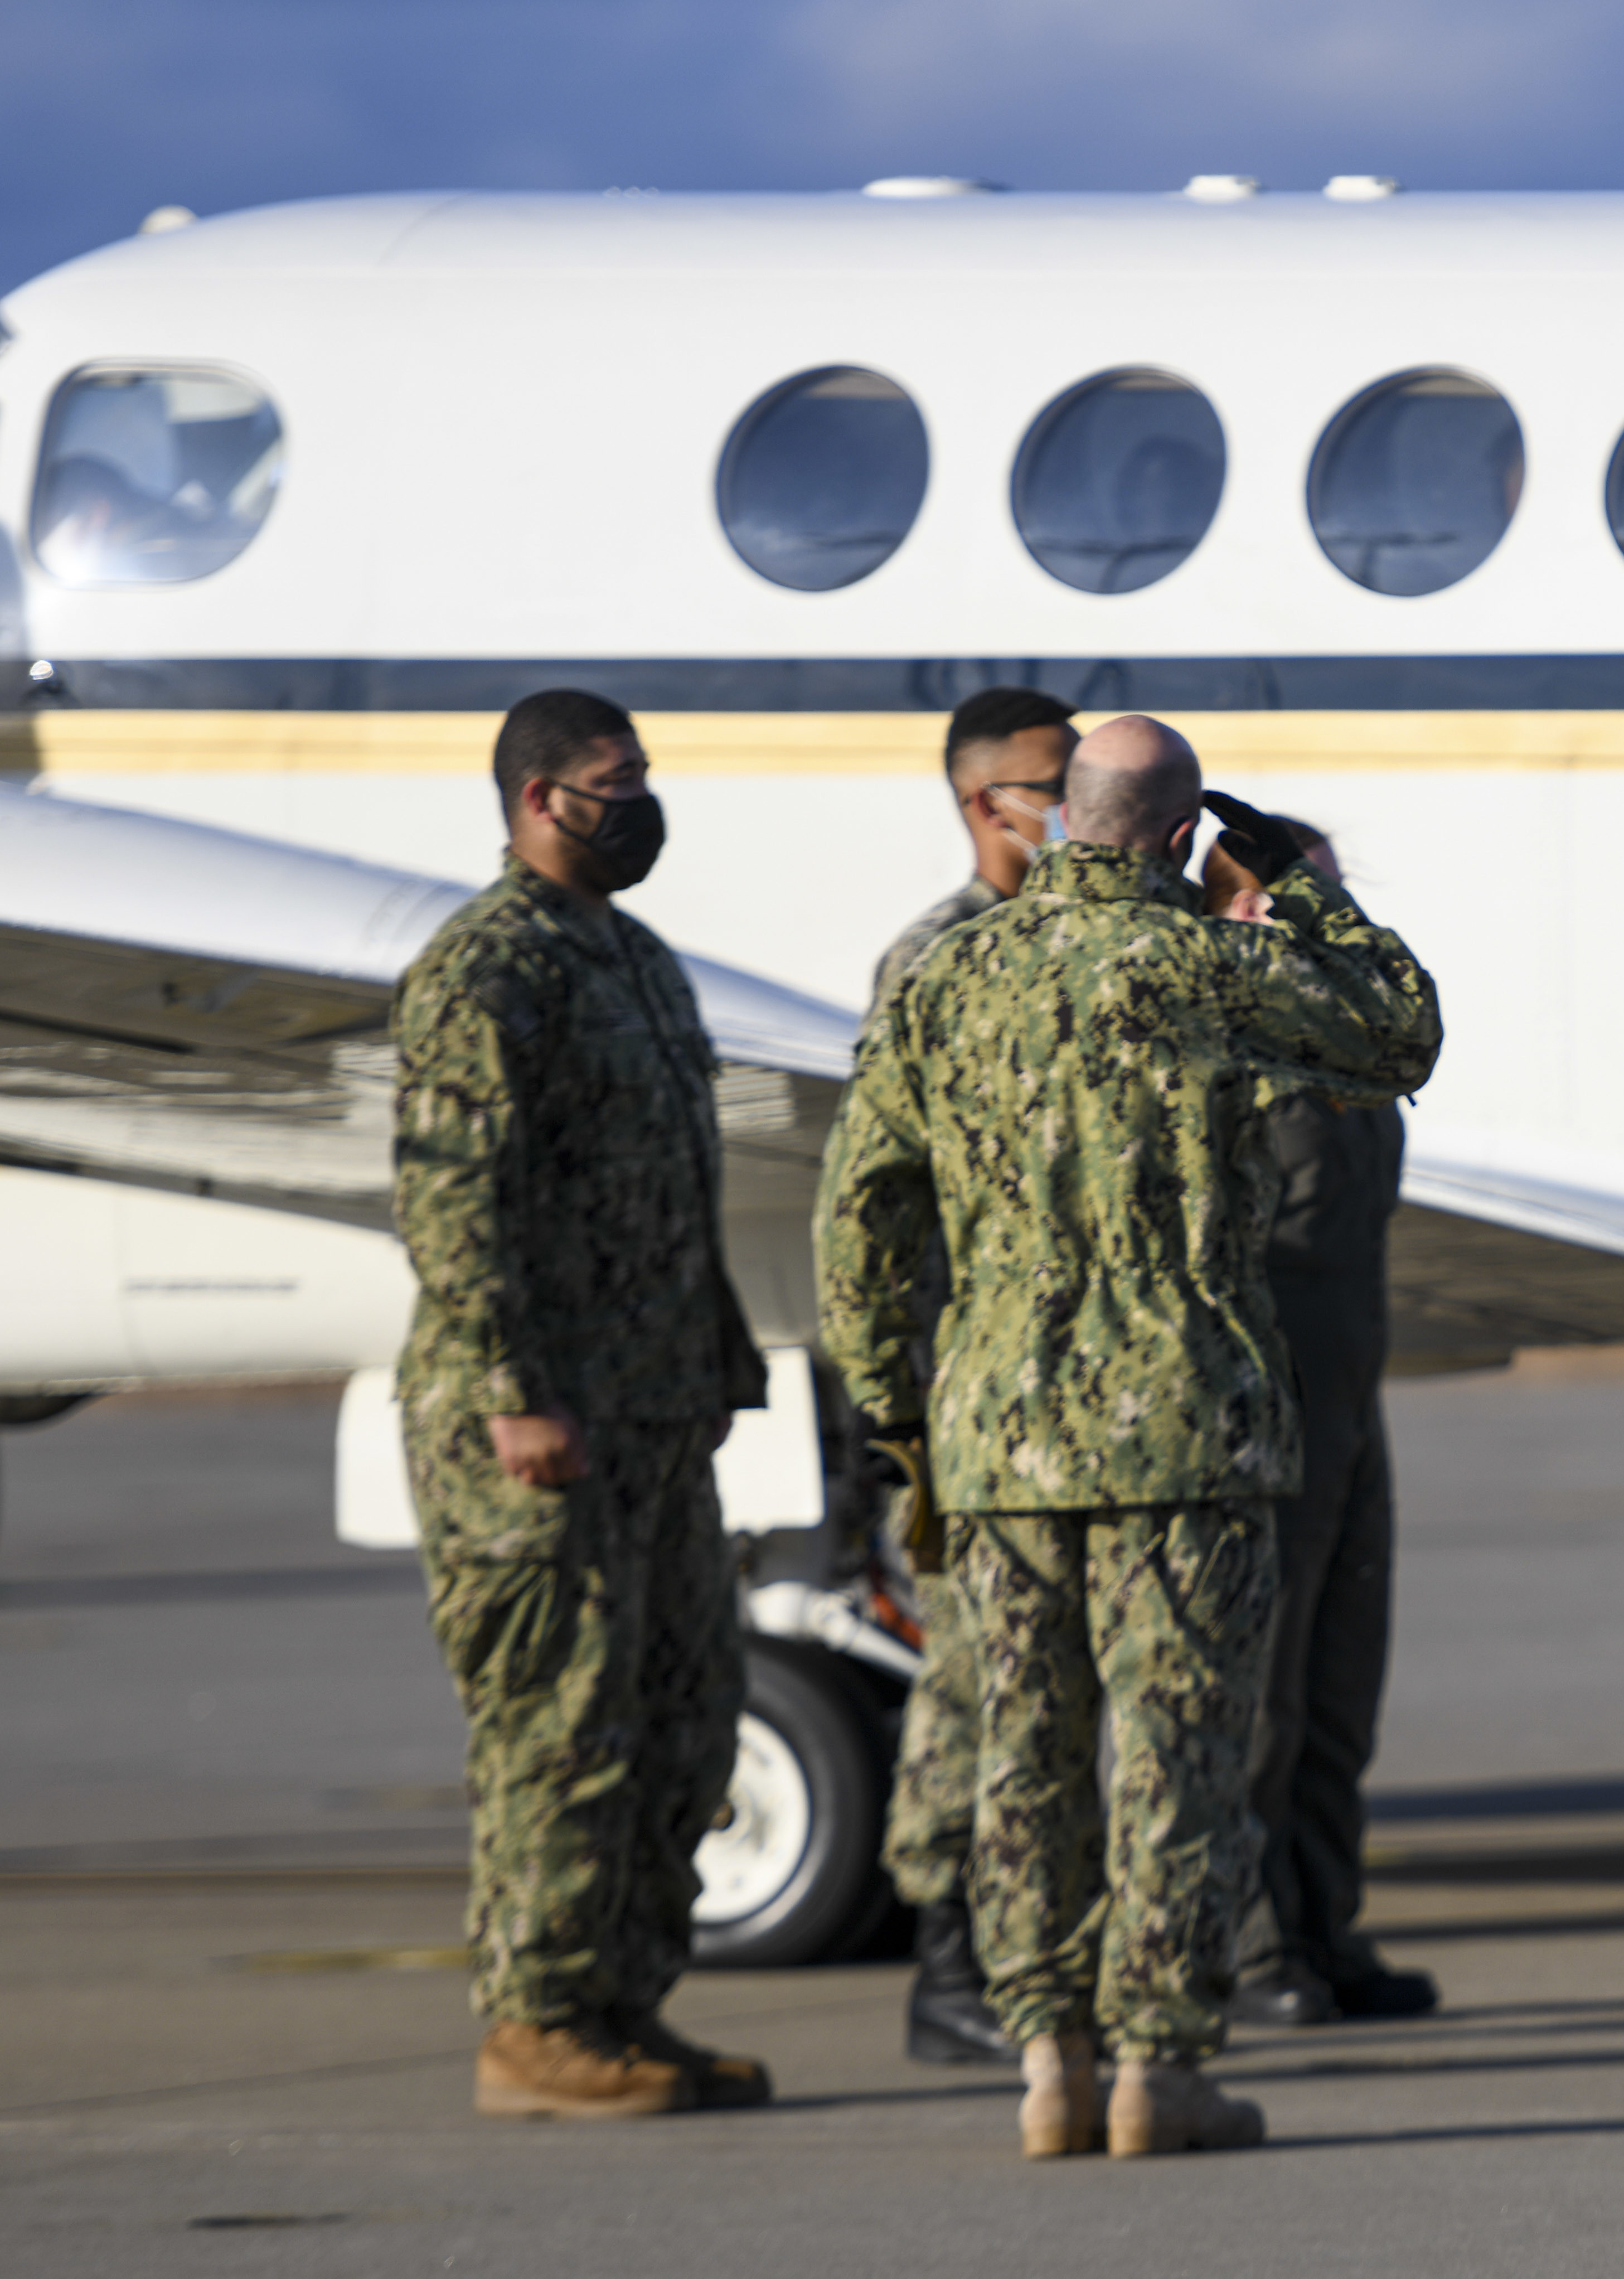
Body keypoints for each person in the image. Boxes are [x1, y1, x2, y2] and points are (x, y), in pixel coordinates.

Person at [813, 718, 1441, 2161]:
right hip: (1181, 1431)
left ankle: (1049, 2062)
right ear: (1174, 840)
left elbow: (864, 1212)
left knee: (1025, 1757)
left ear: (1056, 825)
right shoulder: (1205, 966)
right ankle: (1160, 2066)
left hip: (999, 1443)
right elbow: (1398, 1027)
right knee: (1177, 1754)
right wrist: (1298, 885)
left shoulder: (943, 980)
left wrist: (904, 1415)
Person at [390, 686, 772, 2120]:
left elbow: (672, 1188)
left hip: (656, 1414)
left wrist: (717, 1369)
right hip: (539, 1429)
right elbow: (451, 1202)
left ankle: (620, 2003)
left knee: (687, 1716)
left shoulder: (636, 959)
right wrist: (512, 1395)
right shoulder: (486, 971)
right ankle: (535, 2024)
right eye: (619, 779)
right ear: (542, 798)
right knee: (562, 1725)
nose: (642, 799)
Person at [867, 686, 1083, 2068]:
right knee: (971, 1686)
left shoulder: (1094, 943)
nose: (1075, 804)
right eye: (1049, 783)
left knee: (1059, 1691)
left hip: (1076, 1392)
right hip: (972, 1390)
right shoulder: (934, 962)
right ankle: (946, 1962)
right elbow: (879, 1198)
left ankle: (1035, 1959)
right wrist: (900, 1407)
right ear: (982, 806)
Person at [1201, 817, 1438, 2029]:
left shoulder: (1343, 1052)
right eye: (1310, 897)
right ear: (1246, 915)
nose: (1334, 917)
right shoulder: (1215, 1049)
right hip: (1271, 1404)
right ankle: (1252, 1946)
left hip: (1350, 1400)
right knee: (1267, 1694)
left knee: (1343, 1686)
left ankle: (1324, 1926)